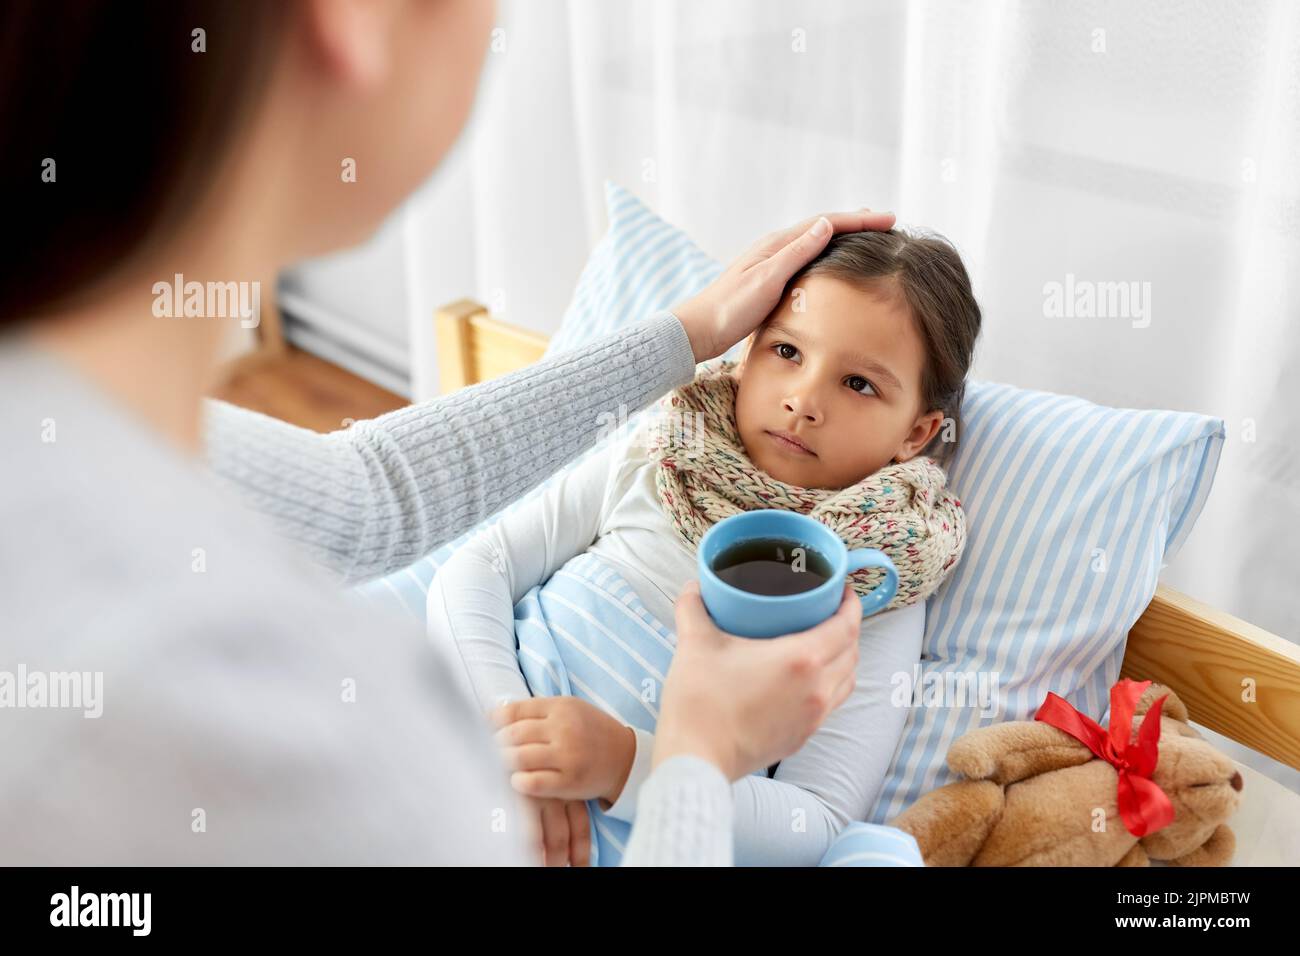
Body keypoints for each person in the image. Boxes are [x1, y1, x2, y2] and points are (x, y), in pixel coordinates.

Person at [0, 0, 895, 864]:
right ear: (357, 12)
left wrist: (685, 335)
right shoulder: (302, 735)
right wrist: (690, 760)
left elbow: (362, 501)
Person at [430, 229, 980, 865]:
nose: (803, 400)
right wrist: (514, 743)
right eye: (786, 350)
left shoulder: (880, 583)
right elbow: (478, 568)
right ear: (745, 351)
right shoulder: (659, 452)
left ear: (916, 433)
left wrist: (622, 764)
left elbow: (817, 822)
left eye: (858, 384)